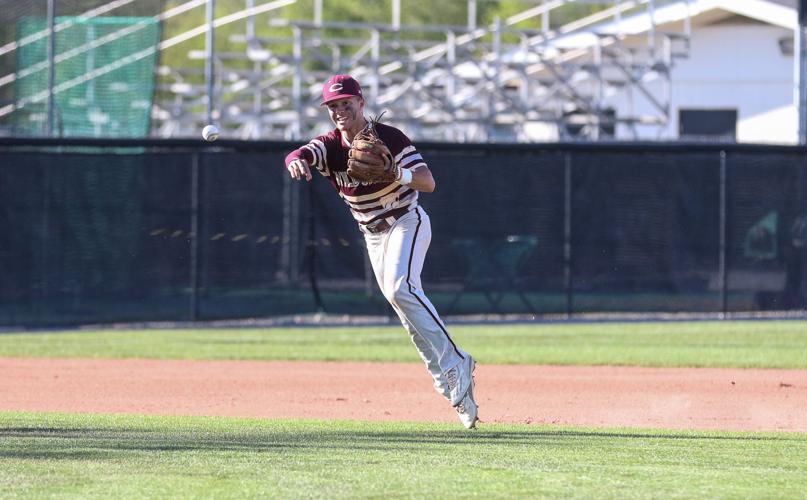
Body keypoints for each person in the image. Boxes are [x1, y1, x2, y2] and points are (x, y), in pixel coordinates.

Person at [284, 74, 479, 429]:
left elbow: (428, 182)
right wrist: (294, 161)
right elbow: (301, 152)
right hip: (372, 234)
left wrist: (393, 171)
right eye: (333, 106)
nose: (340, 111)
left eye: (346, 103)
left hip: (407, 220)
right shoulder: (330, 146)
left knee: (399, 289)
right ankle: (447, 381)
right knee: (405, 308)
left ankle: (456, 362)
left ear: (361, 103)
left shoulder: (388, 137)